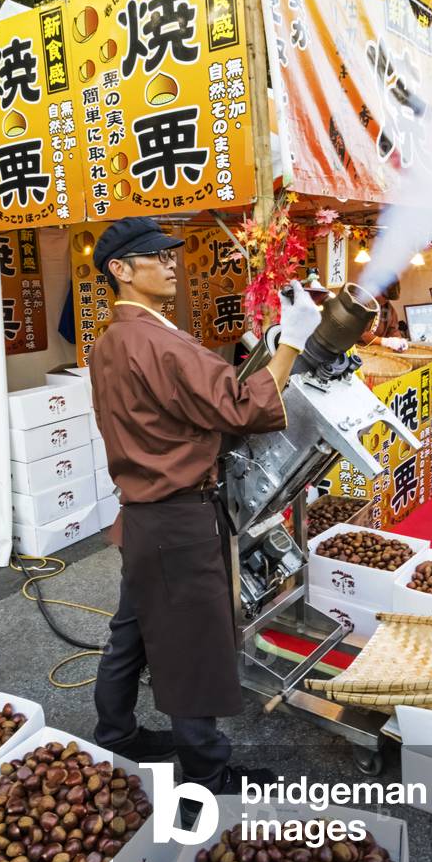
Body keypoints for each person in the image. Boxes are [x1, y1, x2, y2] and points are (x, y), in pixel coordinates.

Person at [87, 217, 322, 804]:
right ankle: (206, 775)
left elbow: (179, 411)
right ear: (120, 270)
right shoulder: (157, 340)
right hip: (178, 519)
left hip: (144, 518)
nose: (170, 263)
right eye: (154, 255)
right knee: (190, 644)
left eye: (170, 254)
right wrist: (292, 341)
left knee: (134, 631)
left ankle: (116, 733)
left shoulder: (111, 341)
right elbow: (241, 406)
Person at [359, 274, 408, 350]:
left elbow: (393, 330)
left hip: (377, 354)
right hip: (353, 353)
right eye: (384, 297)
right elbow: (361, 334)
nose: (385, 301)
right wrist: (385, 341)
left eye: (388, 299)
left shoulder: (388, 308)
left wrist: (399, 341)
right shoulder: (358, 302)